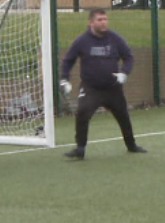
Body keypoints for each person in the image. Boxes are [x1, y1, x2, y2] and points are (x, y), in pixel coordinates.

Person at [60, 9, 147, 160]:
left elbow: (129, 57)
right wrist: (64, 79)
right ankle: (80, 149)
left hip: (112, 88)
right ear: (91, 23)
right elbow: (68, 61)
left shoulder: (115, 39)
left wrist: (124, 73)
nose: (103, 22)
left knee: (123, 116)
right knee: (82, 113)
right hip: (91, 88)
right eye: (99, 19)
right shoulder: (82, 41)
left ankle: (131, 145)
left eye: (105, 19)